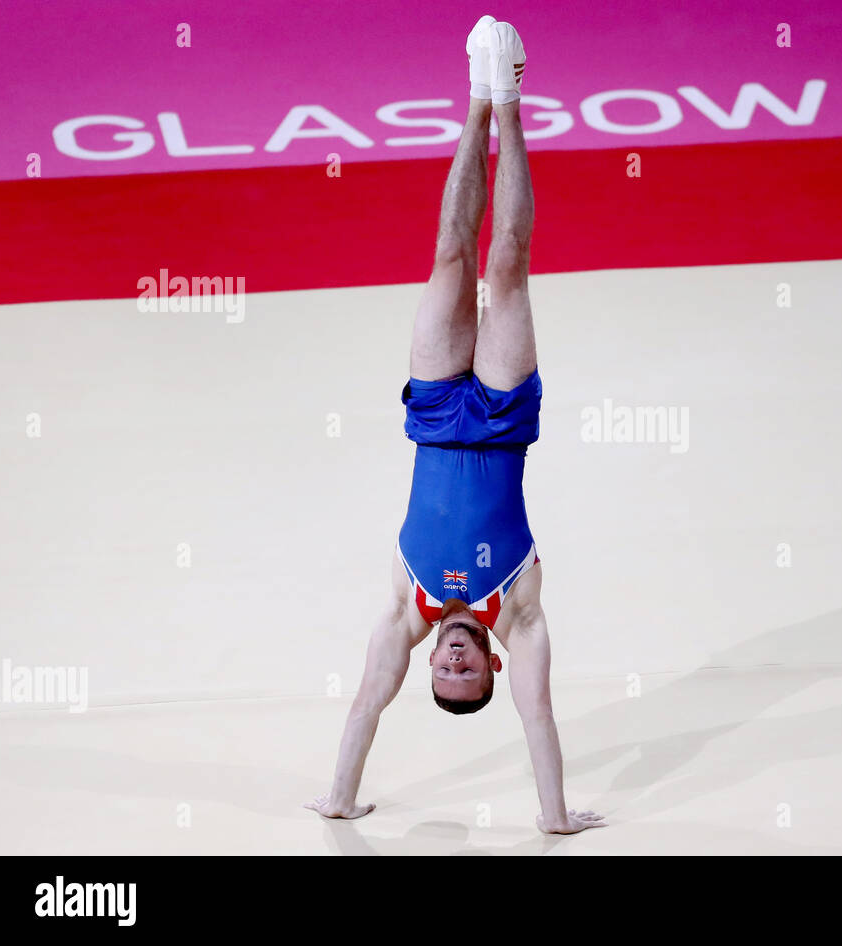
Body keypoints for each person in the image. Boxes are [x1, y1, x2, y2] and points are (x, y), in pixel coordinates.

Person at [305, 16, 605, 837]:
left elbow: (367, 702)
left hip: (435, 419)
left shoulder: (408, 609)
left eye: (444, 670)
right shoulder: (521, 616)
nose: (454, 661)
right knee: (505, 263)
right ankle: (509, 102)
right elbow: (538, 718)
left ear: (431, 661)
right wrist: (555, 818)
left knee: (448, 254)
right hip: (503, 421)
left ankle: (474, 99)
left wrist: (340, 799)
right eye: (468, 673)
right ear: (492, 666)